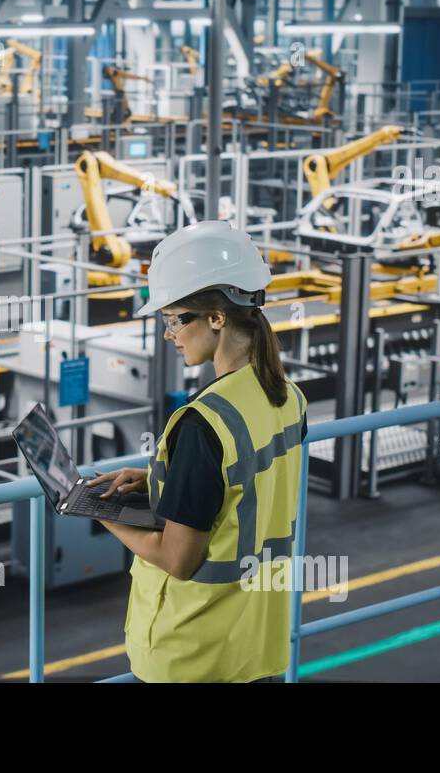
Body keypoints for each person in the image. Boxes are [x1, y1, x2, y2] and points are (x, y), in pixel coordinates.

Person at [87, 221, 308, 683]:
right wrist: (160, 478)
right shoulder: (287, 395)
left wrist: (99, 513)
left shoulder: (203, 423)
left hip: (195, 654)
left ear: (217, 318)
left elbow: (178, 560)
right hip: (257, 642)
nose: (169, 333)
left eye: (174, 319)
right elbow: (240, 486)